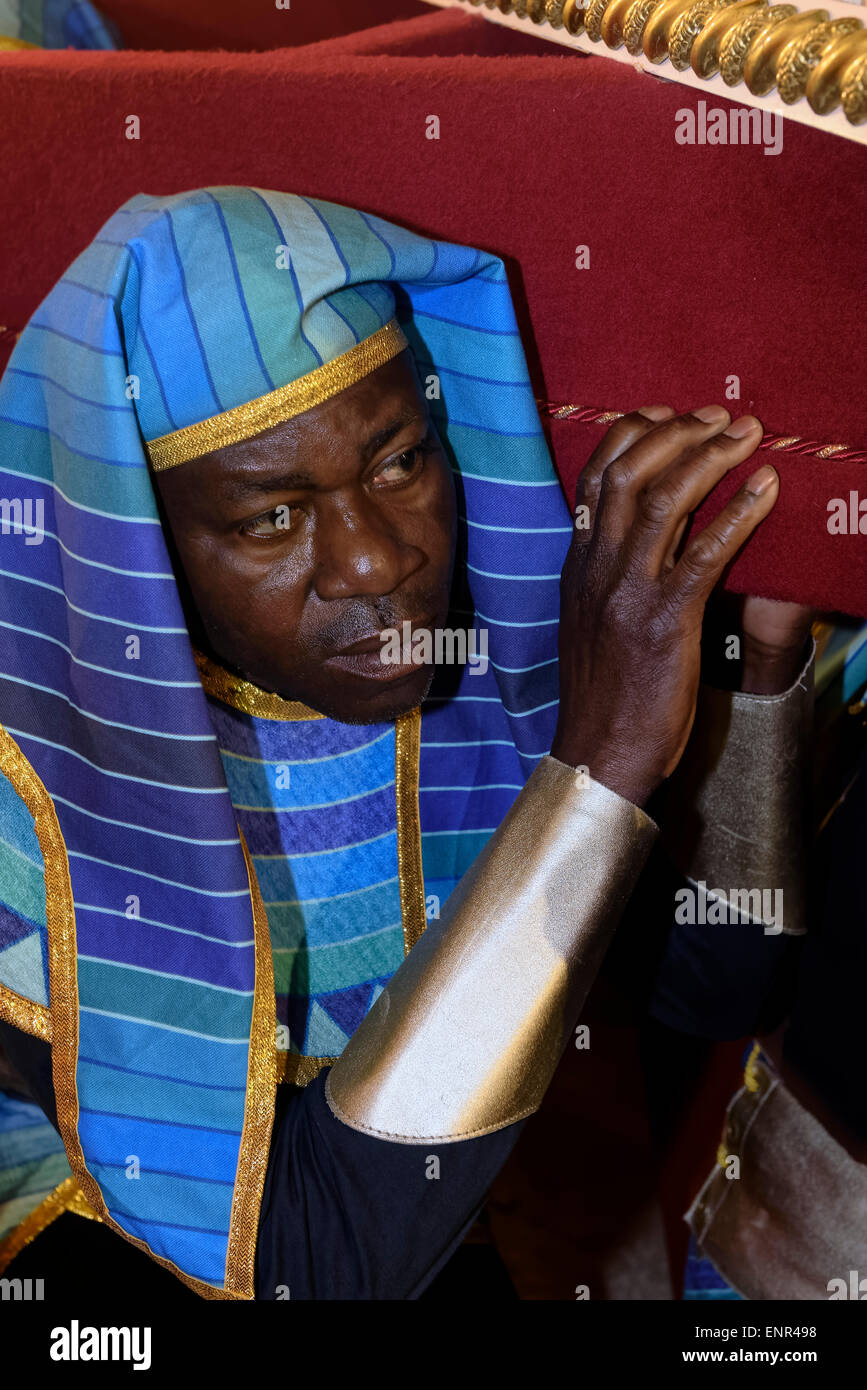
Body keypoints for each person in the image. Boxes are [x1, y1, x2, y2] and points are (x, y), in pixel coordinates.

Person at [0, 186, 801, 1299]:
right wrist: (599, 765)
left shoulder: (483, 672)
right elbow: (304, 1262)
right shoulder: (35, 797)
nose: (376, 562)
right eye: (271, 518)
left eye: (398, 463)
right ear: (136, 544)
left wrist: (754, 673)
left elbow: (706, 994)